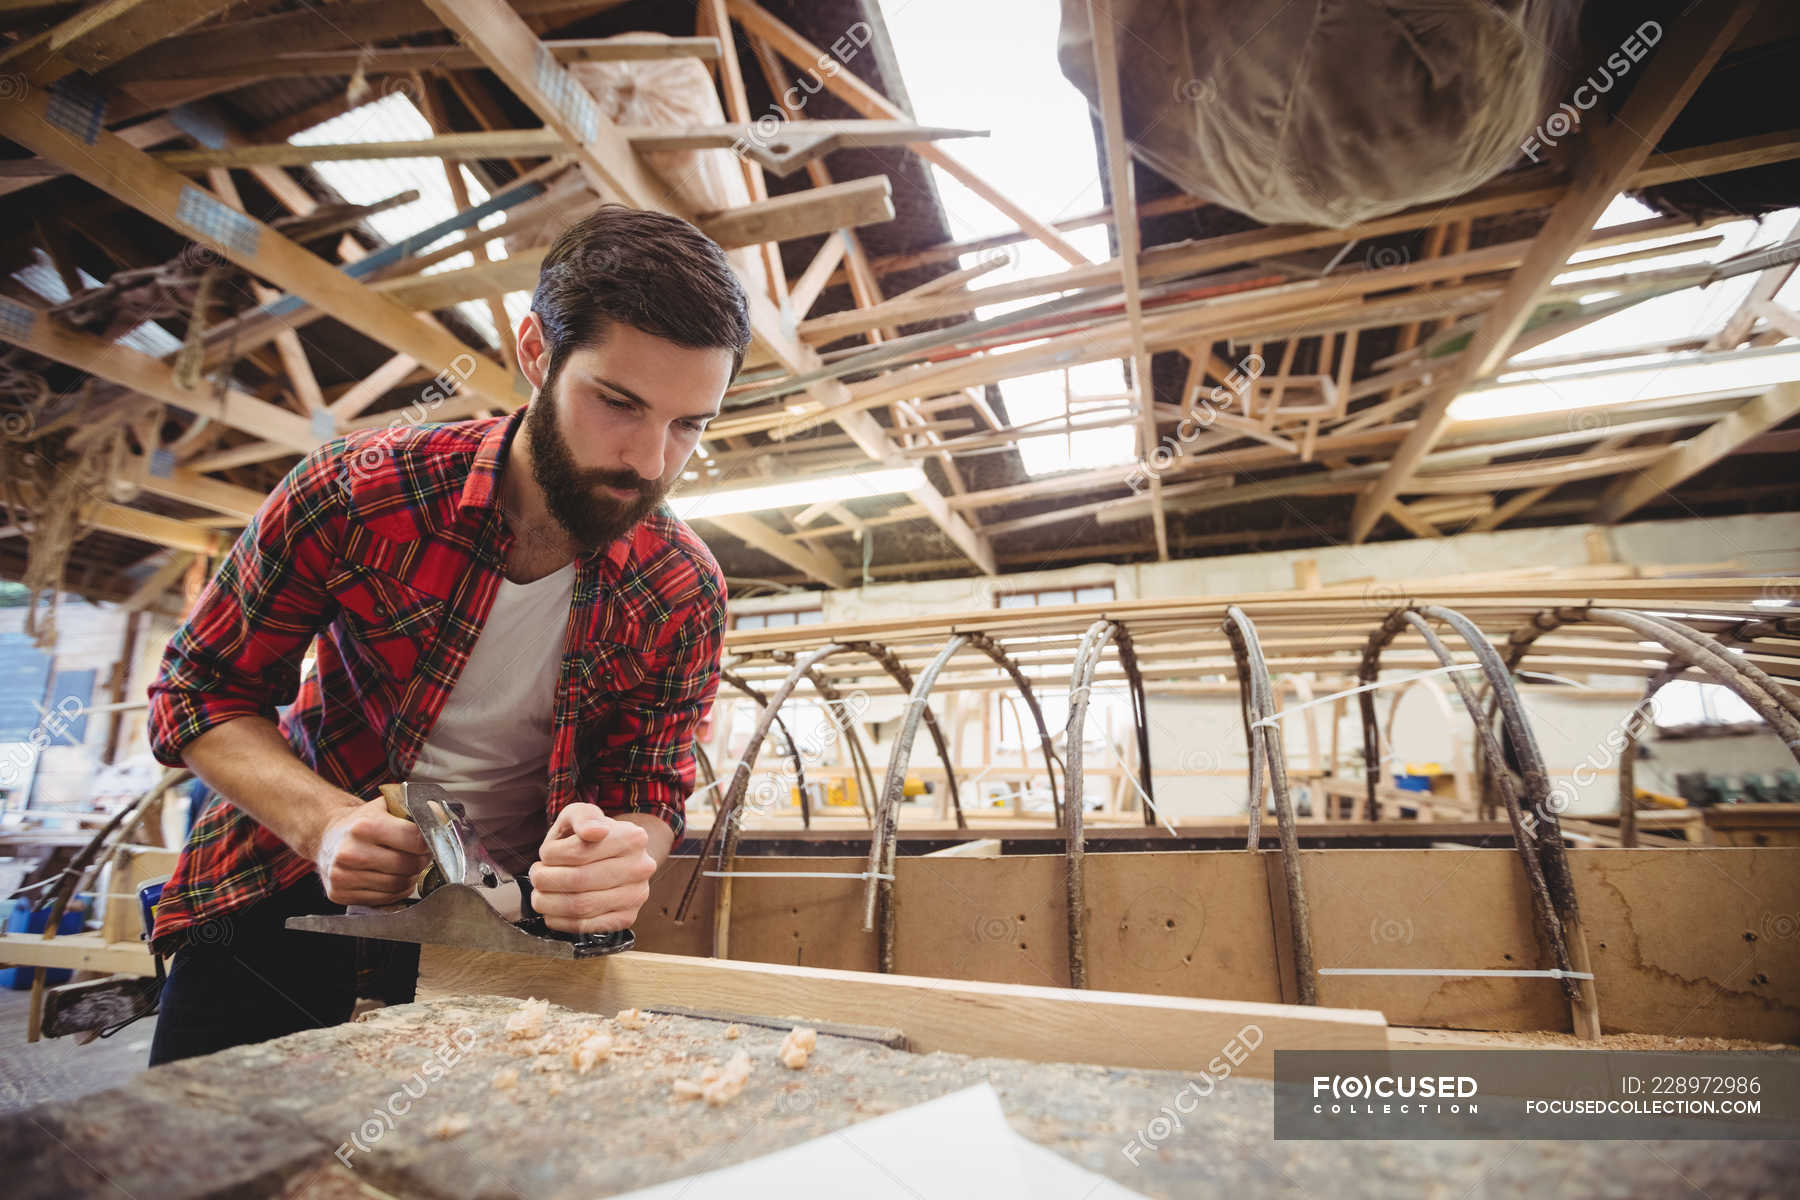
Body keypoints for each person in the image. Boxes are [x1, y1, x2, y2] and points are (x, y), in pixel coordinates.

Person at [143, 205, 749, 1064]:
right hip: (282, 892)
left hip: (505, 940)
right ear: (536, 353)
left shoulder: (682, 589)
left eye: (691, 426)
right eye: (618, 402)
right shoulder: (359, 493)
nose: (651, 462)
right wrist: (323, 825)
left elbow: (647, 785)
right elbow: (200, 691)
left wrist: (621, 858)